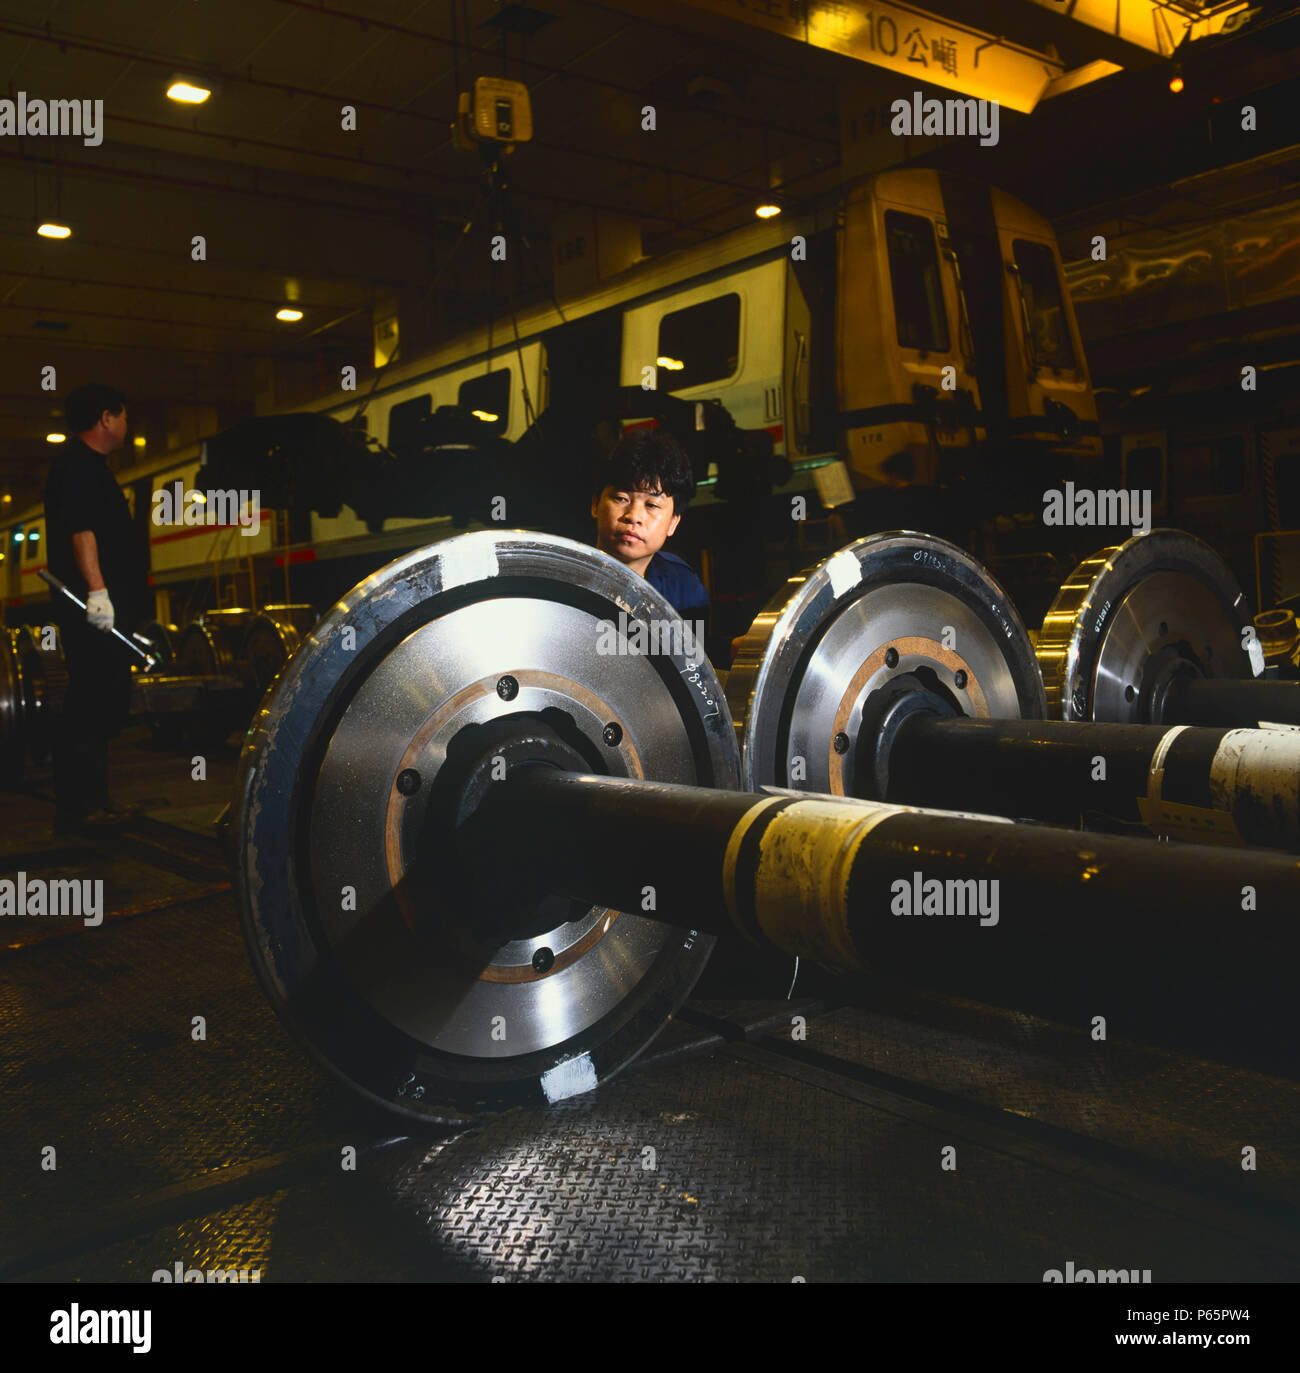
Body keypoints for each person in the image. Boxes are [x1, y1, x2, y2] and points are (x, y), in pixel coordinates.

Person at [44, 384, 149, 834]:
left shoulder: (90, 468)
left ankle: (93, 803)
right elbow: (82, 531)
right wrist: (98, 592)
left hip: (101, 609)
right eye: (122, 416)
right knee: (88, 703)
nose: (126, 425)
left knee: (100, 702)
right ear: (106, 418)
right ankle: (77, 810)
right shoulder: (77, 468)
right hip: (94, 611)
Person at [590, 428, 709, 619]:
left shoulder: (683, 585)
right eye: (621, 498)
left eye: (652, 505)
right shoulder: (560, 575)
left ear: (673, 523)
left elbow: (692, 649)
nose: (634, 516)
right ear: (595, 504)